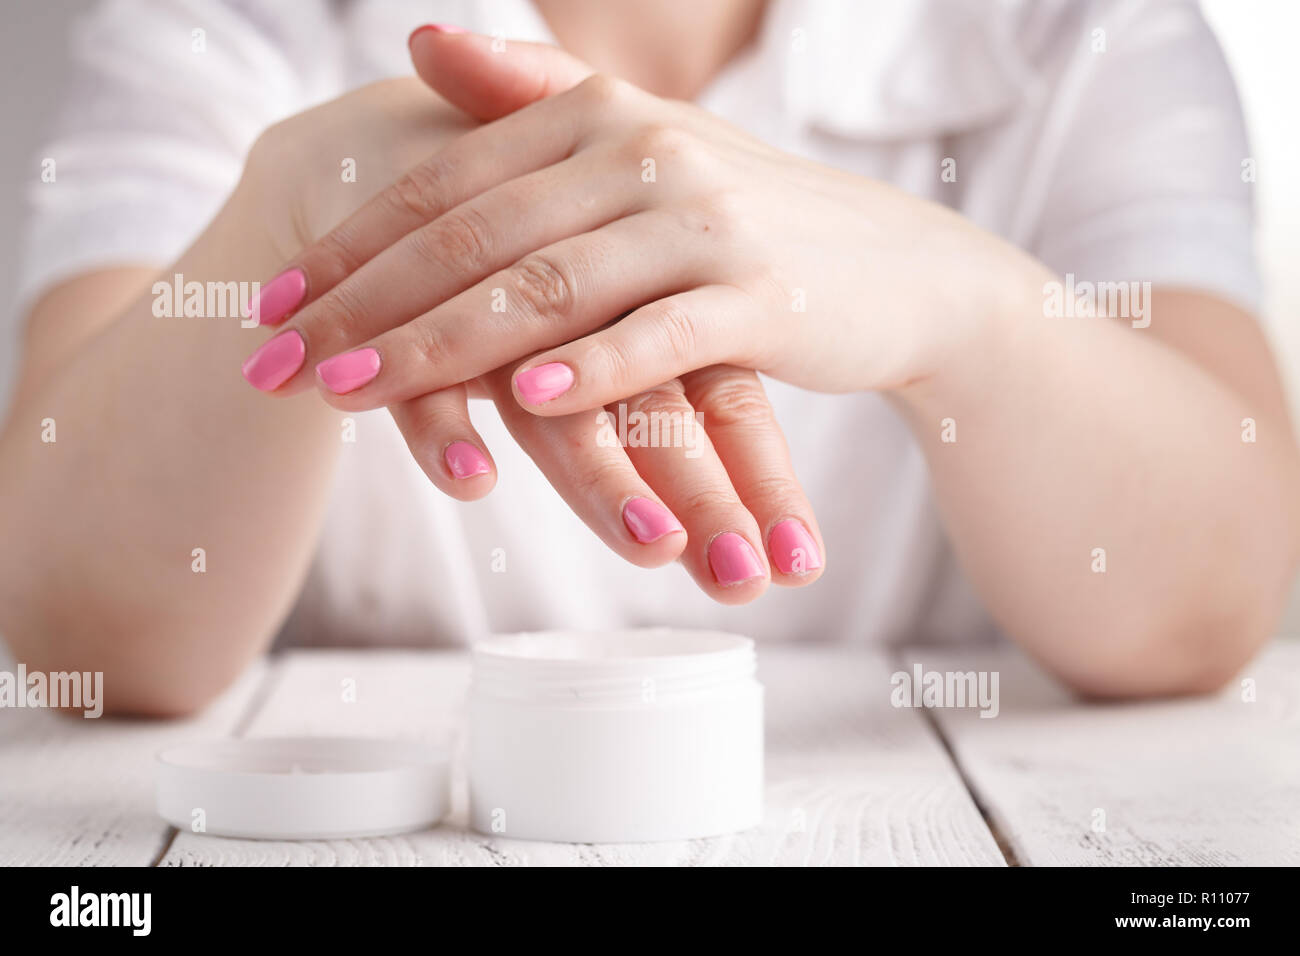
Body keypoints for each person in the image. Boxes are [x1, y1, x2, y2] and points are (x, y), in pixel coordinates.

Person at [1, 0, 1295, 715]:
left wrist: (965, 302)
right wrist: (292, 223)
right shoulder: (216, 29)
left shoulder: (1090, 36)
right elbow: (85, 634)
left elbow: (1206, 604)